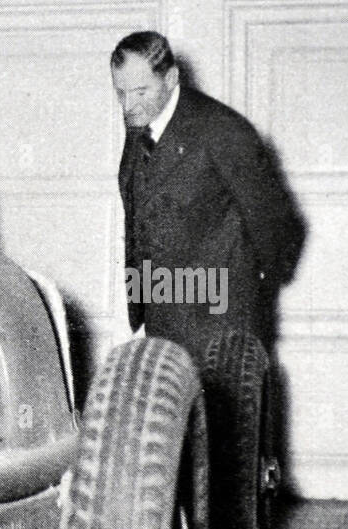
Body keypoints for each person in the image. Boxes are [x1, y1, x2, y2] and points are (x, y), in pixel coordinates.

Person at [111, 30, 302, 357]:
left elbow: (277, 225)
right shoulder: (141, 123)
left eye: (141, 91)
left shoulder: (223, 130)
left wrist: (245, 297)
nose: (129, 105)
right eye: (120, 92)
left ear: (171, 78)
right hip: (163, 321)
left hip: (220, 328)